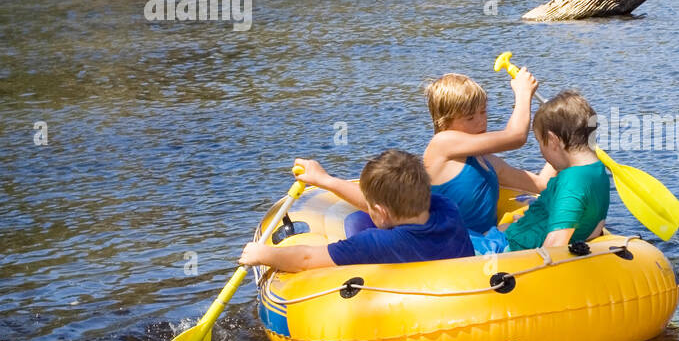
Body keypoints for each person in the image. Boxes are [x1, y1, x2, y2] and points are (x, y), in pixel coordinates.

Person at [239, 149, 473, 273]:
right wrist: (325, 180)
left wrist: (264, 255)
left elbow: (306, 259)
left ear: (380, 212)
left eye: (372, 209)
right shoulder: (447, 209)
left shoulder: (377, 243)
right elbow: (391, 203)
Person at [423, 71, 553, 251]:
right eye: (470, 117)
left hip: (487, 242)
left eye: (483, 112)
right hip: (458, 246)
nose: (481, 122)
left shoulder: (488, 161)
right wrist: (523, 93)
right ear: (444, 123)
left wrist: (565, 147)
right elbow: (516, 136)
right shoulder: (441, 145)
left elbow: (540, 184)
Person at [500, 90, 609, 251]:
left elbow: (554, 246)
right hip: (520, 235)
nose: (541, 151)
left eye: (539, 141)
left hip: (509, 249)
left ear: (552, 140)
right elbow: (595, 227)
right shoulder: (597, 171)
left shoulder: (572, 181)